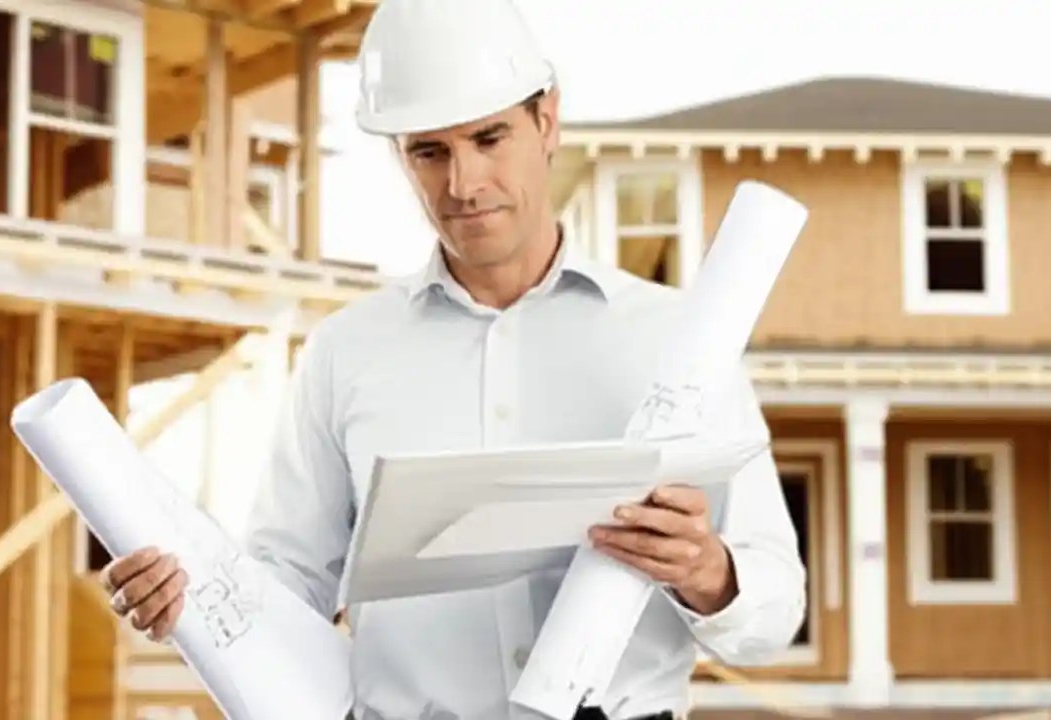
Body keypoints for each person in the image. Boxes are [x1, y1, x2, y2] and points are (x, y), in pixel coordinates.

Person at [100, 0, 807, 718]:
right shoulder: (346, 353)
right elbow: (287, 586)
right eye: (429, 152)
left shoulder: (679, 342)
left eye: (488, 138)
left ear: (547, 121)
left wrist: (707, 572)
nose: (462, 184)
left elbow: (776, 607)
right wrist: (194, 598)